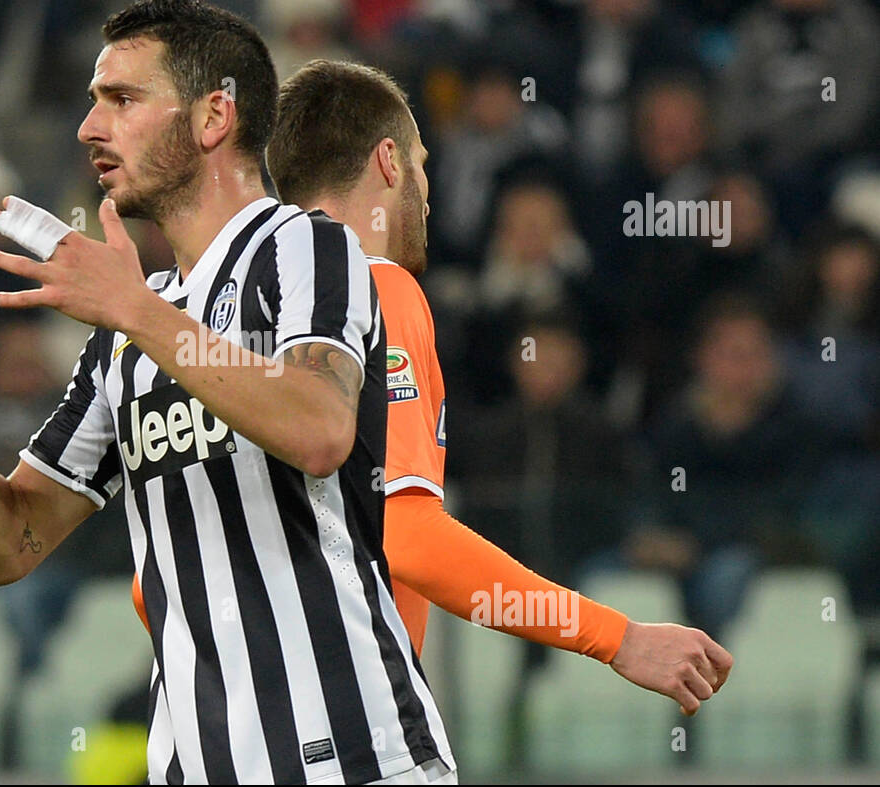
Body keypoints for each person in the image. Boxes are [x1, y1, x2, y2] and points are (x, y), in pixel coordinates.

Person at [0, 0, 451, 785]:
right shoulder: (127, 327)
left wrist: (134, 308)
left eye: (122, 99)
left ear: (213, 117)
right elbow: (7, 544)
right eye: (92, 101)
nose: (90, 128)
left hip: (353, 760)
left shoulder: (307, 249)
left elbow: (321, 428)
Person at [259, 59, 732, 712]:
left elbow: (154, 583)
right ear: (389, 162)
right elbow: (407, 533)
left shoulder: (212, 313)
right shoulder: (372, 289)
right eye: (424, 166)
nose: (428, 192)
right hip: (348, 726)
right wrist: (616, 637)